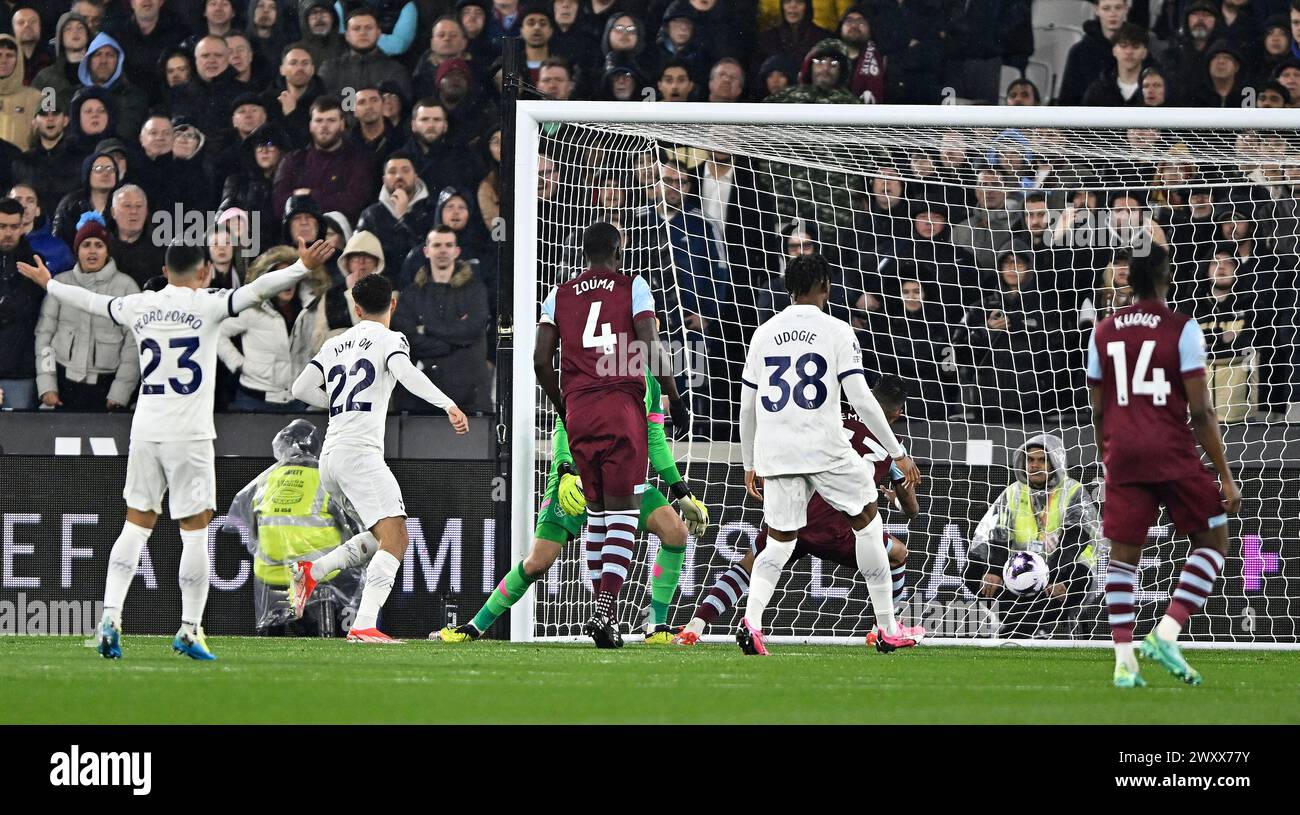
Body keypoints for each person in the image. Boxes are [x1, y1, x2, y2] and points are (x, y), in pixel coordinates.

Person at [15, 235, 337, 660]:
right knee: (195, 534)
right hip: (190, 436)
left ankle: (110, 617)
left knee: (135, 525)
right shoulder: (207, 304)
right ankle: (189, 628)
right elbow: (258, 289)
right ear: (203, 272)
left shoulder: (140, 304)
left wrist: (49, 283)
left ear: (165, 271)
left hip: (146, 431)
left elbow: (91, 302)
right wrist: (299, 266)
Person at [438, 367, 710, 644]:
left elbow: (654, 439)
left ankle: (656, 625)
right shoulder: (589, 362)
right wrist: (566, 471)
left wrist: (683, 493)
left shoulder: (649, 380)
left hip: (621, 475)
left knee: (675, 531)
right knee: (538, 563)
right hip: (576, 479)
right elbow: (562, 425)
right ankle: (474, 627)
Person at [736, 253, 921, 656]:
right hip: (824, 446)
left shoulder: (764, 332)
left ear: (789, 287)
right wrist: (897, 450)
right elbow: (860, 396)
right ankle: (888, 628)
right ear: (826, 287)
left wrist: (750, 463)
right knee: (869, 524)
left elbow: (747, 406)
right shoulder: (838, 331)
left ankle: (752, 622)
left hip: (776, 450)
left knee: (780, 541)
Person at [1087, 242, 1241, 688]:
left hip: (1123, 453)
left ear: (1129, 281)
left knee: (1123, 556)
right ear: (1164, 278)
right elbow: (1202, 411)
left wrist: (1107, 454)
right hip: (1171, 451)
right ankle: (1167, 632)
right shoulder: (1183, 328)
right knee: (1214, 540)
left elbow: (1097, 409)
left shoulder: (1103, 331)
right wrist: (1225, 475)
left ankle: (1124, 661)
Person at [288, 274, 469, 642]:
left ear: (356, 309)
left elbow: (300, 388)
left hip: (331, 459)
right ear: (394, 304)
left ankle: (313, 569)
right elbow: (404, 373)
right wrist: (448, 404)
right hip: (359, 454)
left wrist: (336, 404)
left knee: (379, 536)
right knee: (398, 537)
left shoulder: (336, 342)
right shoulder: (390, 339)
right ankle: (364, 624)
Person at [533, 221, 689, 647]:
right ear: (618, 250)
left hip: (579, 410)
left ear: (584, 253)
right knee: (622, 514)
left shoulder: (558, 294)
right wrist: (674, 395)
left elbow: (540, 361)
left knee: (597, 516)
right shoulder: (633, 285)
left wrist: (564, 404)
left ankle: (602, 614)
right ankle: (605, 610)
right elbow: (649, 341)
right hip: (621, 405)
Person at [675, 376, 919, 645]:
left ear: (869, 395)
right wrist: (897, 498)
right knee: (898, 553)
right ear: (899, 412)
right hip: (840, 528)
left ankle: (696, 625)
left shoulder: (830, 413)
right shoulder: (895, 448)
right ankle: (884, 627)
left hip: (796, 511)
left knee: (748, 566)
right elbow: (912, 510)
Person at [223, 418, 364, 634]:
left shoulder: (264, 481)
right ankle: (352, 628)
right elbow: (355, 528)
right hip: (315, 574)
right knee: (359, 559)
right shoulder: (325, 479)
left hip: (270, 573)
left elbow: (252, 532)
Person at [967, 434, 1100, 638]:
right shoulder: (1013, 492)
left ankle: (1017, 629)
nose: (1034, 465)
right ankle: (1028, 625)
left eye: (1041, 460)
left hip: (1062, 568)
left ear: (1054, 462)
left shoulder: (1073, 491)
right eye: (1030, 460)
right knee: (973, 569)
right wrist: (994, 570)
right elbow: (999, 533)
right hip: (1021, 567)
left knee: (1079, 575)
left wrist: (1054, 575)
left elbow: (1076, 538)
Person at [33, 211, 140, 412]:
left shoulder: (127, 287)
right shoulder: (60, 284)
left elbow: (132, 348)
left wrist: (120, 393)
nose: (92, 251)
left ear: (107, 250)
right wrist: (47, 386)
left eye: (99, 245)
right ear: (77, 250)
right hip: (63, 387)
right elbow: (44, 337)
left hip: (106, 388)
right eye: (86, 245)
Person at [389, 224, 489, 410]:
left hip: (468, 396)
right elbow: (406, 338)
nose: (443, 250)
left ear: (457, 251)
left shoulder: (475, 290)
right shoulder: (411, 294)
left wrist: (427, 329)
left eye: (448, 245)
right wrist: (454, 341)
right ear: (426, 251)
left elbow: (472, 329)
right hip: (420, 398)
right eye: (437, 245)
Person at [219, 244, 328, 411]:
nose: (288, 282)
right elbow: (219, 333)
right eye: (281, 276)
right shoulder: (251, 308)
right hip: (253, 401)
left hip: (295, 401)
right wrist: (239, 364)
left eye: (291, 275)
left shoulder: (310, 308)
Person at [272, 95, 375, 223]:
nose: (324, 126)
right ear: (310, 125)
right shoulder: (293, 160)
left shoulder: (358, 160)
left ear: (342, 124)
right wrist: (327, 199)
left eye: (331, 120)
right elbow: (278, 204)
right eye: (319, 120)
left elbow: (354, 203)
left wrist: (309, 195)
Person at [0, 196, 43, 410]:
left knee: (21, 438)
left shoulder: (36, 264)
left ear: (22, 226)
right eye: (2, 226)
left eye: (14, 226)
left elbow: (28, 308)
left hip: (20, 371)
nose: (9, 233)